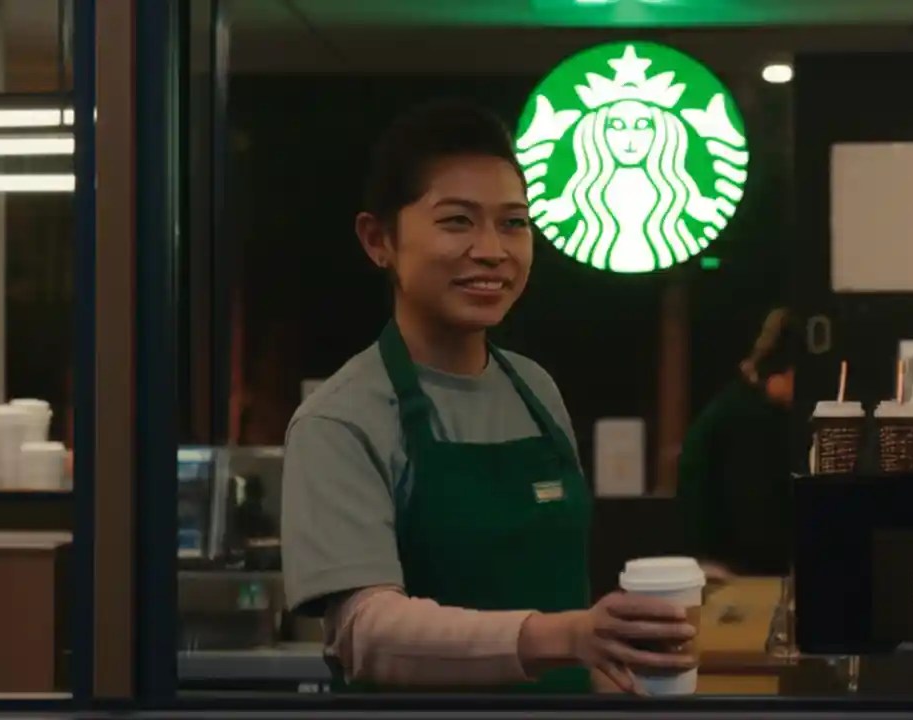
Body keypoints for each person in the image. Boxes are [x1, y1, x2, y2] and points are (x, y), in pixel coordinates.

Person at [281, 100, 694, 695]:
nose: (493, 250)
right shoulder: (341, 418)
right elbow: (364, 632)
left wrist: (611, 663)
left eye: (514, 222)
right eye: (457, 221)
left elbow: (571, 619)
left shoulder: (534, 389)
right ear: (379, 240)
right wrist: (564, 636)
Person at [676, 308, 797, 579]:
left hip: (726, 564)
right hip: (729, 570)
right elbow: (756, 520)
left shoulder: (736, 406)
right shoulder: (746, 418)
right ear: (782, 374)